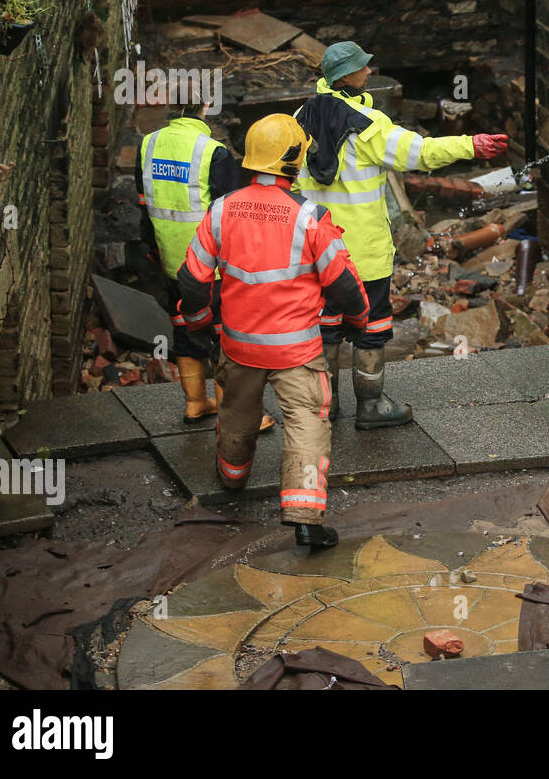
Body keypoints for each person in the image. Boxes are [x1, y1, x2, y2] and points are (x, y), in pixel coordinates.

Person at [177, 114, 369, 548]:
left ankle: (231, 479)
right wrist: (358, 320)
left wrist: (197, 321)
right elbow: (342, 283)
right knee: (307, 421)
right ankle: (304, 517)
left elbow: (192, 279)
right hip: (297, 351)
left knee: (237, 413)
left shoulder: (221, 209)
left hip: (239, 344)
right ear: (294, 161)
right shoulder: (309, 216)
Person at [294, 41, 509, 427]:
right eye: (363, 67)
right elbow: (420, 153)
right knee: (370, 328)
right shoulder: (367, 125)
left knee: (323, 327)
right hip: (362, 253)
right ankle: (371, 407)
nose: (369, 72)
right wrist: (470, 145)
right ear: (347, 76)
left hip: (314, 250)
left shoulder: (299, 117)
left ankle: (324, 406)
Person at [136, 100, 272, 431]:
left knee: (184, 326)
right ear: (205, 106)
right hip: (211, 265)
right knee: (225, 334)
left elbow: (143, 202)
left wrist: (153, 249)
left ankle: (195, 403)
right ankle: (232, 412)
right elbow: (233, 212)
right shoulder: (213, 153)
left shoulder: (148, 144)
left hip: (171, 259)